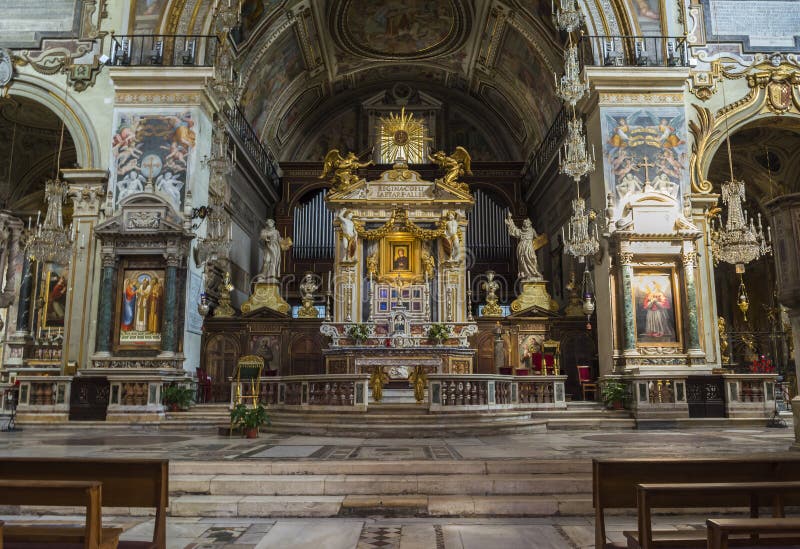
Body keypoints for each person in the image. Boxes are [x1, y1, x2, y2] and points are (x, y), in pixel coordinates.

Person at [505, 213, 543, 281]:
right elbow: (514, 230)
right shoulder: (521, 231)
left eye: (527, 223)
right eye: (525, 223)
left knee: (532, 258)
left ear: (530, 224)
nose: (526, 224)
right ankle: (527, 274)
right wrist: (510, 219)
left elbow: (537, 238)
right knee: (523, 260)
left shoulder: (532, 230)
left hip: (529, 247)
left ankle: (534, 273)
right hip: (522, 247)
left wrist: (543, 237)